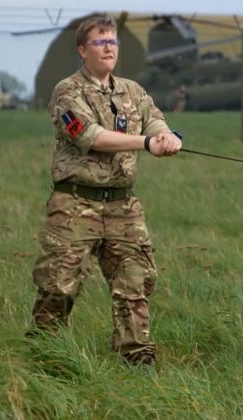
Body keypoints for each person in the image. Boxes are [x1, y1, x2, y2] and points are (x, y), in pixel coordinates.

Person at [28, 15, 182, 366]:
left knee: (135, 281)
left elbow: (153, 117)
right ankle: (46, 355)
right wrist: (146, 143)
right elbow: (90, 136)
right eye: (100, 41)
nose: (109, 46)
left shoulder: (132, 90)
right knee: (58, 285)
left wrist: (165, 135)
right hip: (75, 203)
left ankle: (137, 359)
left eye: (113, 40)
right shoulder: (67, 92)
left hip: (122, 205)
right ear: (83, 50)